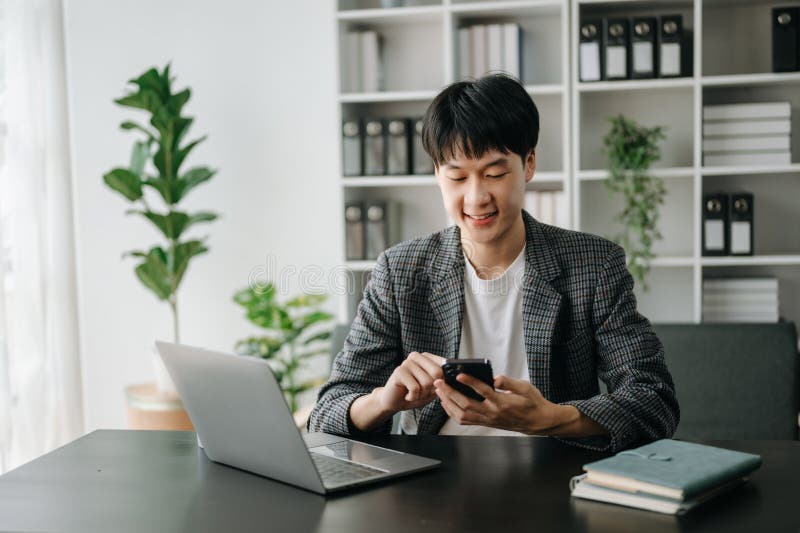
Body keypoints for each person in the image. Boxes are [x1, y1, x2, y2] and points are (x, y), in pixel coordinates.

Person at [309, 74, 679, 451]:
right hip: (432, 482)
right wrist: (382, 402)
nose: (476, 197)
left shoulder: (594, 266)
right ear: (438, 174)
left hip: (553, 478)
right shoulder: (399, 270)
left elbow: (654, 400)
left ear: (529, 164)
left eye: (495, 174)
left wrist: (548, 418)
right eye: (456, 176)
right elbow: (326, 413)